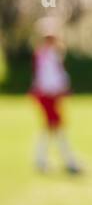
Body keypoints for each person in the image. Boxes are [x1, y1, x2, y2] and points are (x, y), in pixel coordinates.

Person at [29, 20, 83, 175]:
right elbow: (46, 78)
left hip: (51, 95)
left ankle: (41, 159)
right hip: (47, 95)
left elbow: (59, 75)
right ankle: (68, 161)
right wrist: (58, 89)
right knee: (55, 127)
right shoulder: (43, 55)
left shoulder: (53, 54)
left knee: (51, 128)